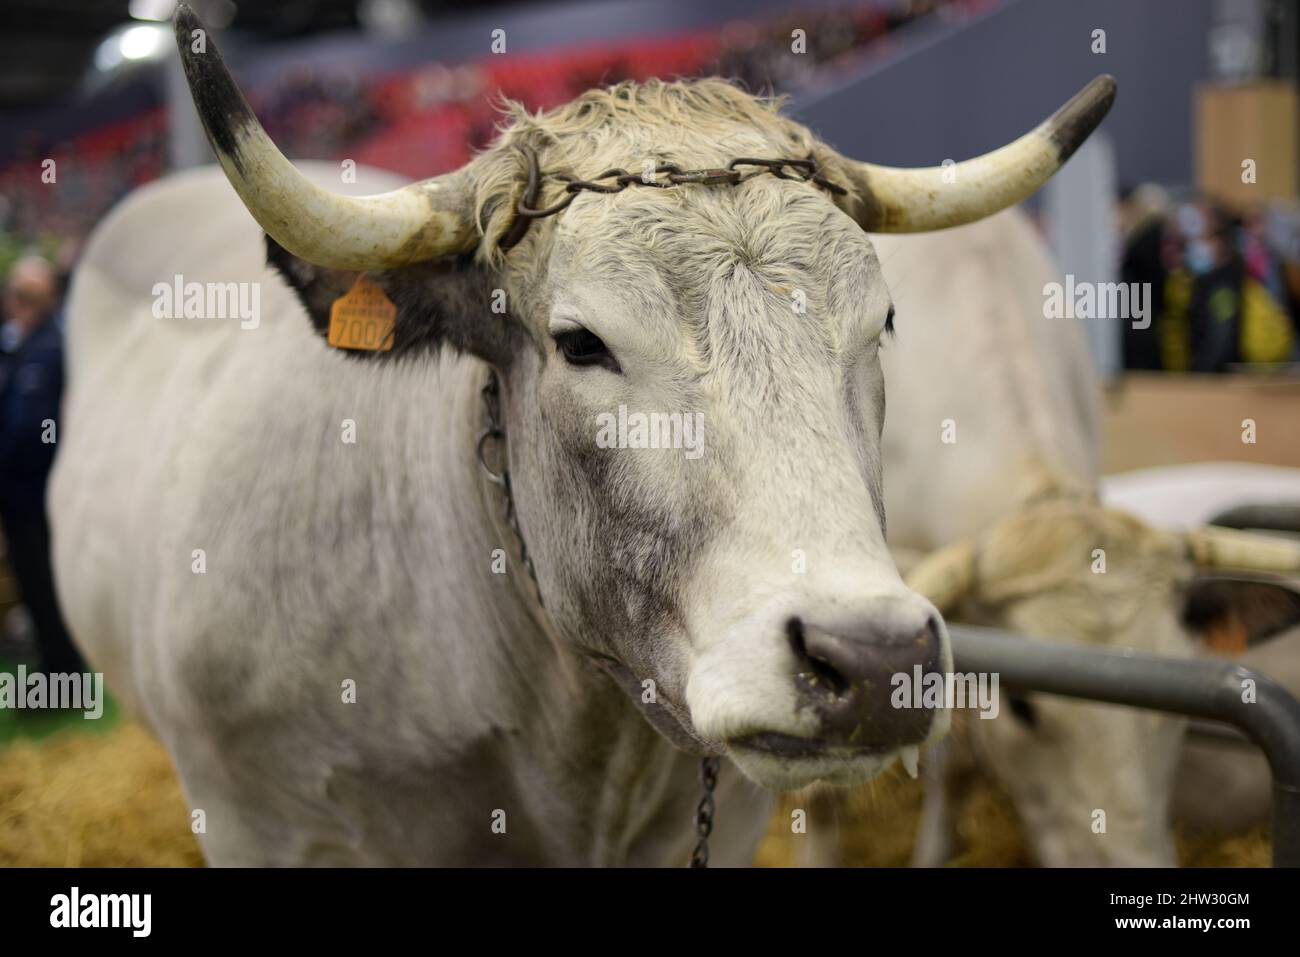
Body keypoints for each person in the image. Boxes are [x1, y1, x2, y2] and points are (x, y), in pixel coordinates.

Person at [0, 254, 84, 675]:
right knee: (34, 586)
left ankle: (63, 672)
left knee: (47, 586)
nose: (15, 303)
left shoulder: (49, 349)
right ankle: (56, 665)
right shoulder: (19, 344)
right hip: (22, 495)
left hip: (38, 495)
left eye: (24, 295)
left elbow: (37, 428)